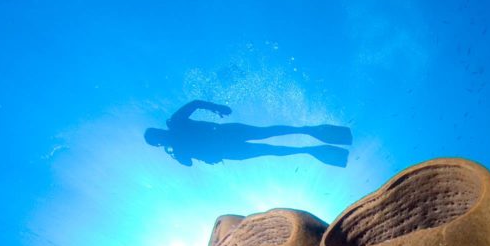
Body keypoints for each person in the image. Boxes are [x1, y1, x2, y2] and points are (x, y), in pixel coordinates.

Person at [144, 100, 352, 167]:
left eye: (157, 136)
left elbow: (194, 104)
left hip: (225, 135)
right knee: (269, 148)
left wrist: (216, 107)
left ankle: (307, 134)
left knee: (266, 135)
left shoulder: (176, 123)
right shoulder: (176, 146)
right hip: (228, 147)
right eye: (157, 139)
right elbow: (188, 163)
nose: (160, 138)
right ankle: (309, 147)